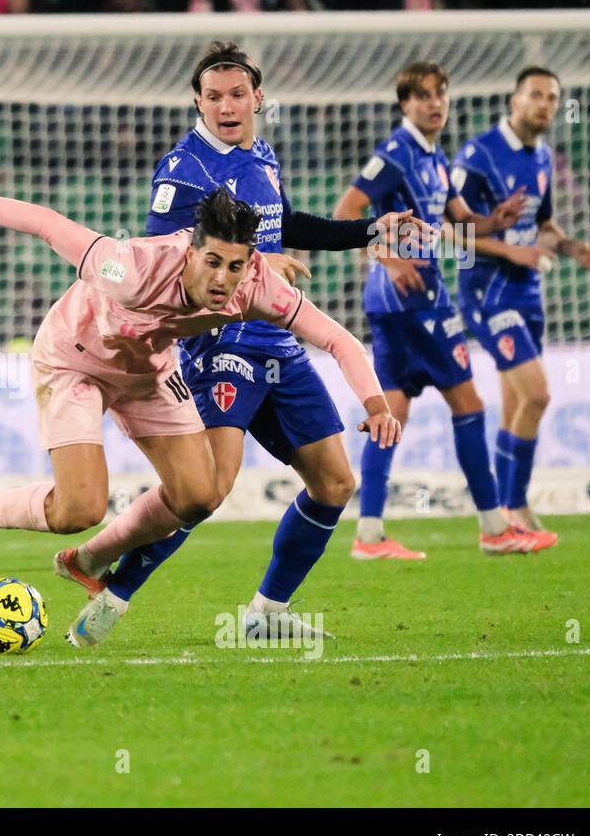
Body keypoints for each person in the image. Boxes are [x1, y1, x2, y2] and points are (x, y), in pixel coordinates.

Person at [0, 161, 400, 609]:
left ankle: (89, 563)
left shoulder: (257, 284)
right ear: (190, 252)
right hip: (76, 362)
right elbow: (48, 224)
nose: (223, 279)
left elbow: (338, 339)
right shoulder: (130, 267)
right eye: (213, 262)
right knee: (80, 509)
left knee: (200, 496)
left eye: (236, 266)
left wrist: (376, 405)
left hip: (149, 371)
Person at [69, 40, 425, 649]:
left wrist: (370, 230)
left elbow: (286, 224)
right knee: (207, 490)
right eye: (213, 97)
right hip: (220, 339)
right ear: (198, 103)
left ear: (257, 98)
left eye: (237, 95)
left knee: (335, 482)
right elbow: (166, 263)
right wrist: (257, 265)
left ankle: (265, 612)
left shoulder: (261, 154)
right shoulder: (183, 172)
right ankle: (113, 591)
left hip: (275, 339)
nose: (226, 106)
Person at [332, 60, 557, 559]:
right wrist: (390, 261)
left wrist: (494, 219)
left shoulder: (434, 157)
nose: (435, 103)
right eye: (423, 95)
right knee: (470, 406)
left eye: (441, 94)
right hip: (414, 297)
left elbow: (463, 221)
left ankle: (368, 535)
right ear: (405, 103)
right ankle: (495, 526)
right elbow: (345, 213)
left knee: (394, 412)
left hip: (399, 301)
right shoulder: (396, 153)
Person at [451, 66, 590, 530]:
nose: (544, 104)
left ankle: (497, 514)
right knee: (538, 394)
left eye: (552, 97)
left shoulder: (543, 157)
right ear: (514, 100)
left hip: (527, 293)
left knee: (517, 405)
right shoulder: (478, 155)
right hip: (487, 293)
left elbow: (542, 223)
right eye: (536, 95)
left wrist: (570, 246)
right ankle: (514, 506)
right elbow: (456, 231)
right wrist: (512, 249)